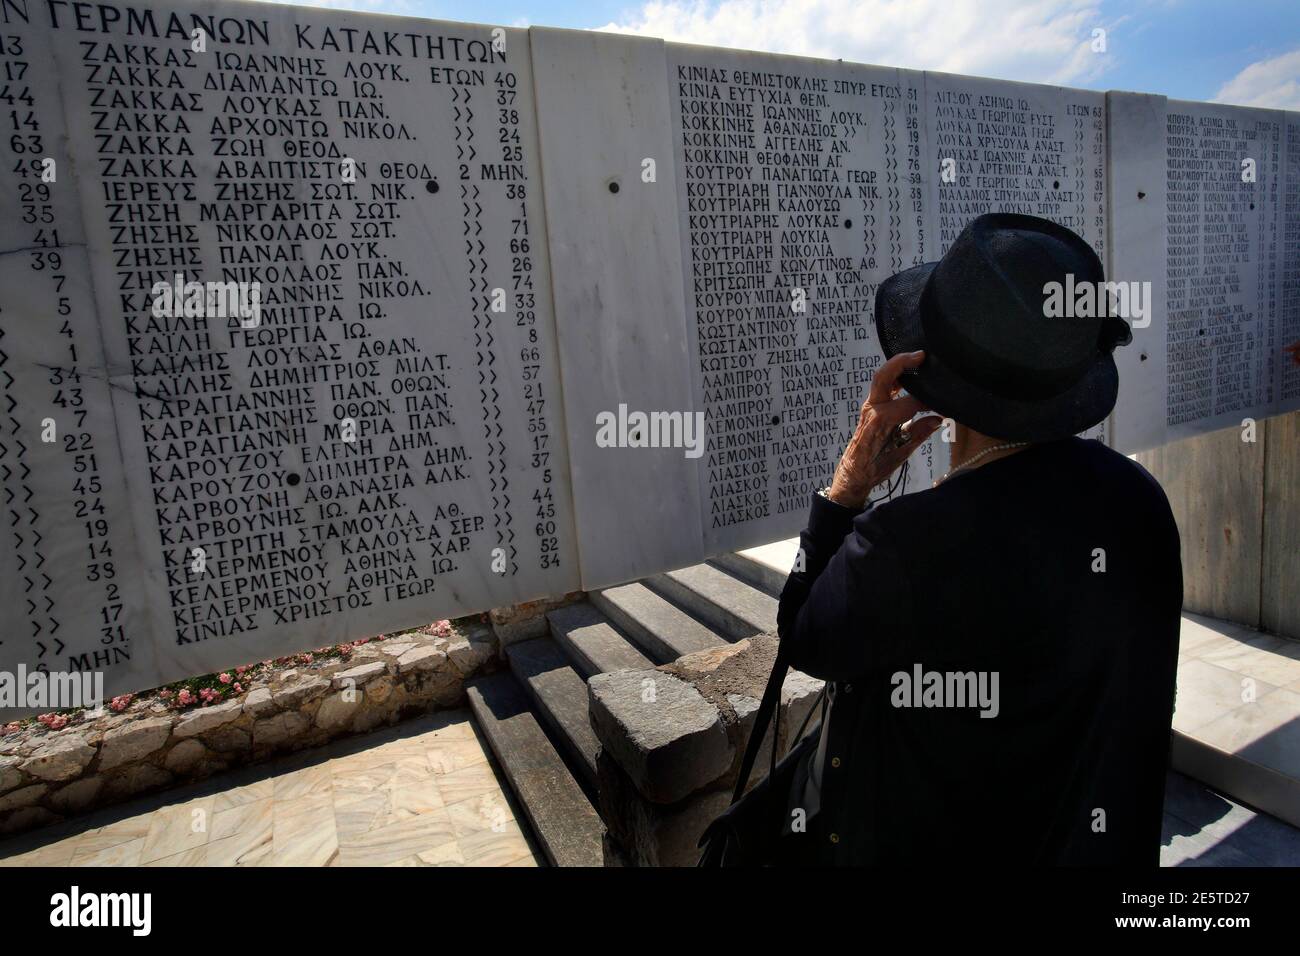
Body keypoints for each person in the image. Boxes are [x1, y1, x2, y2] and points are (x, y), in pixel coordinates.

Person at [776, 213, 1183, 865]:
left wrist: (847, 487)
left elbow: (803, 635)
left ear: (924, 371)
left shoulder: (906, 543)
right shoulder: (1138, 498)